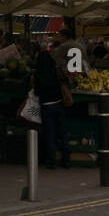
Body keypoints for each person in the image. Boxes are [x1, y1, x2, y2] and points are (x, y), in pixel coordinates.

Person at [34, 39, 70, 168]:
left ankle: (52, 160)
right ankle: (66, 160)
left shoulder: (38, 74)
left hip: (46, 105)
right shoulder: (55, 70)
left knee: (50, 134)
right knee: (62, 133)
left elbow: (37, 91)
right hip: (59, 103)